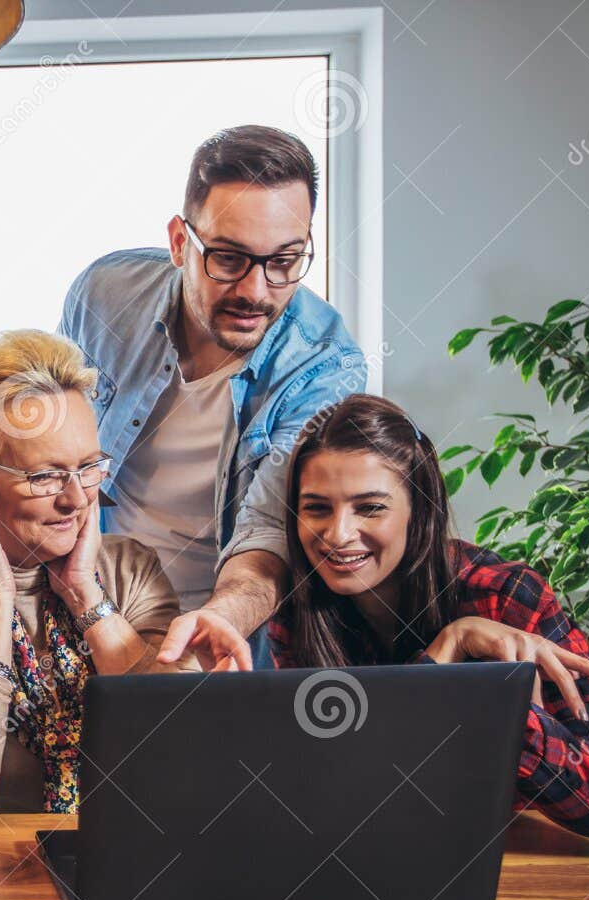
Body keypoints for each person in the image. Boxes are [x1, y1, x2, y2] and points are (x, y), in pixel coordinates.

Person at [269, 394, 589, 847]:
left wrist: (504, 708)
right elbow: (345, 796)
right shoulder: (297, 611)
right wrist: (444, 657)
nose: (337, 534)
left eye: (370, 507)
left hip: (513, 854)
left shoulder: (507, 595)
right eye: (317, 508)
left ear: (419, 508)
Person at [59, 124, 365, 671]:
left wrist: (219, 619)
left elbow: (270, 528)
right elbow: (53, 420)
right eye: (228, 258)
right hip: (88, 609)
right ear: (180, 242)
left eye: (284, 261)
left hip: (220, 641)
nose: (255, 291)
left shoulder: (323, 366)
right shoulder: (105, 295)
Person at [0, 330, 194, 823]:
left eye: (89, 467)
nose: (76, 499)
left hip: (128, 848)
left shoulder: (129, 569)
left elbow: (179, 752)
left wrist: (88, 598)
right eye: (45, 476)